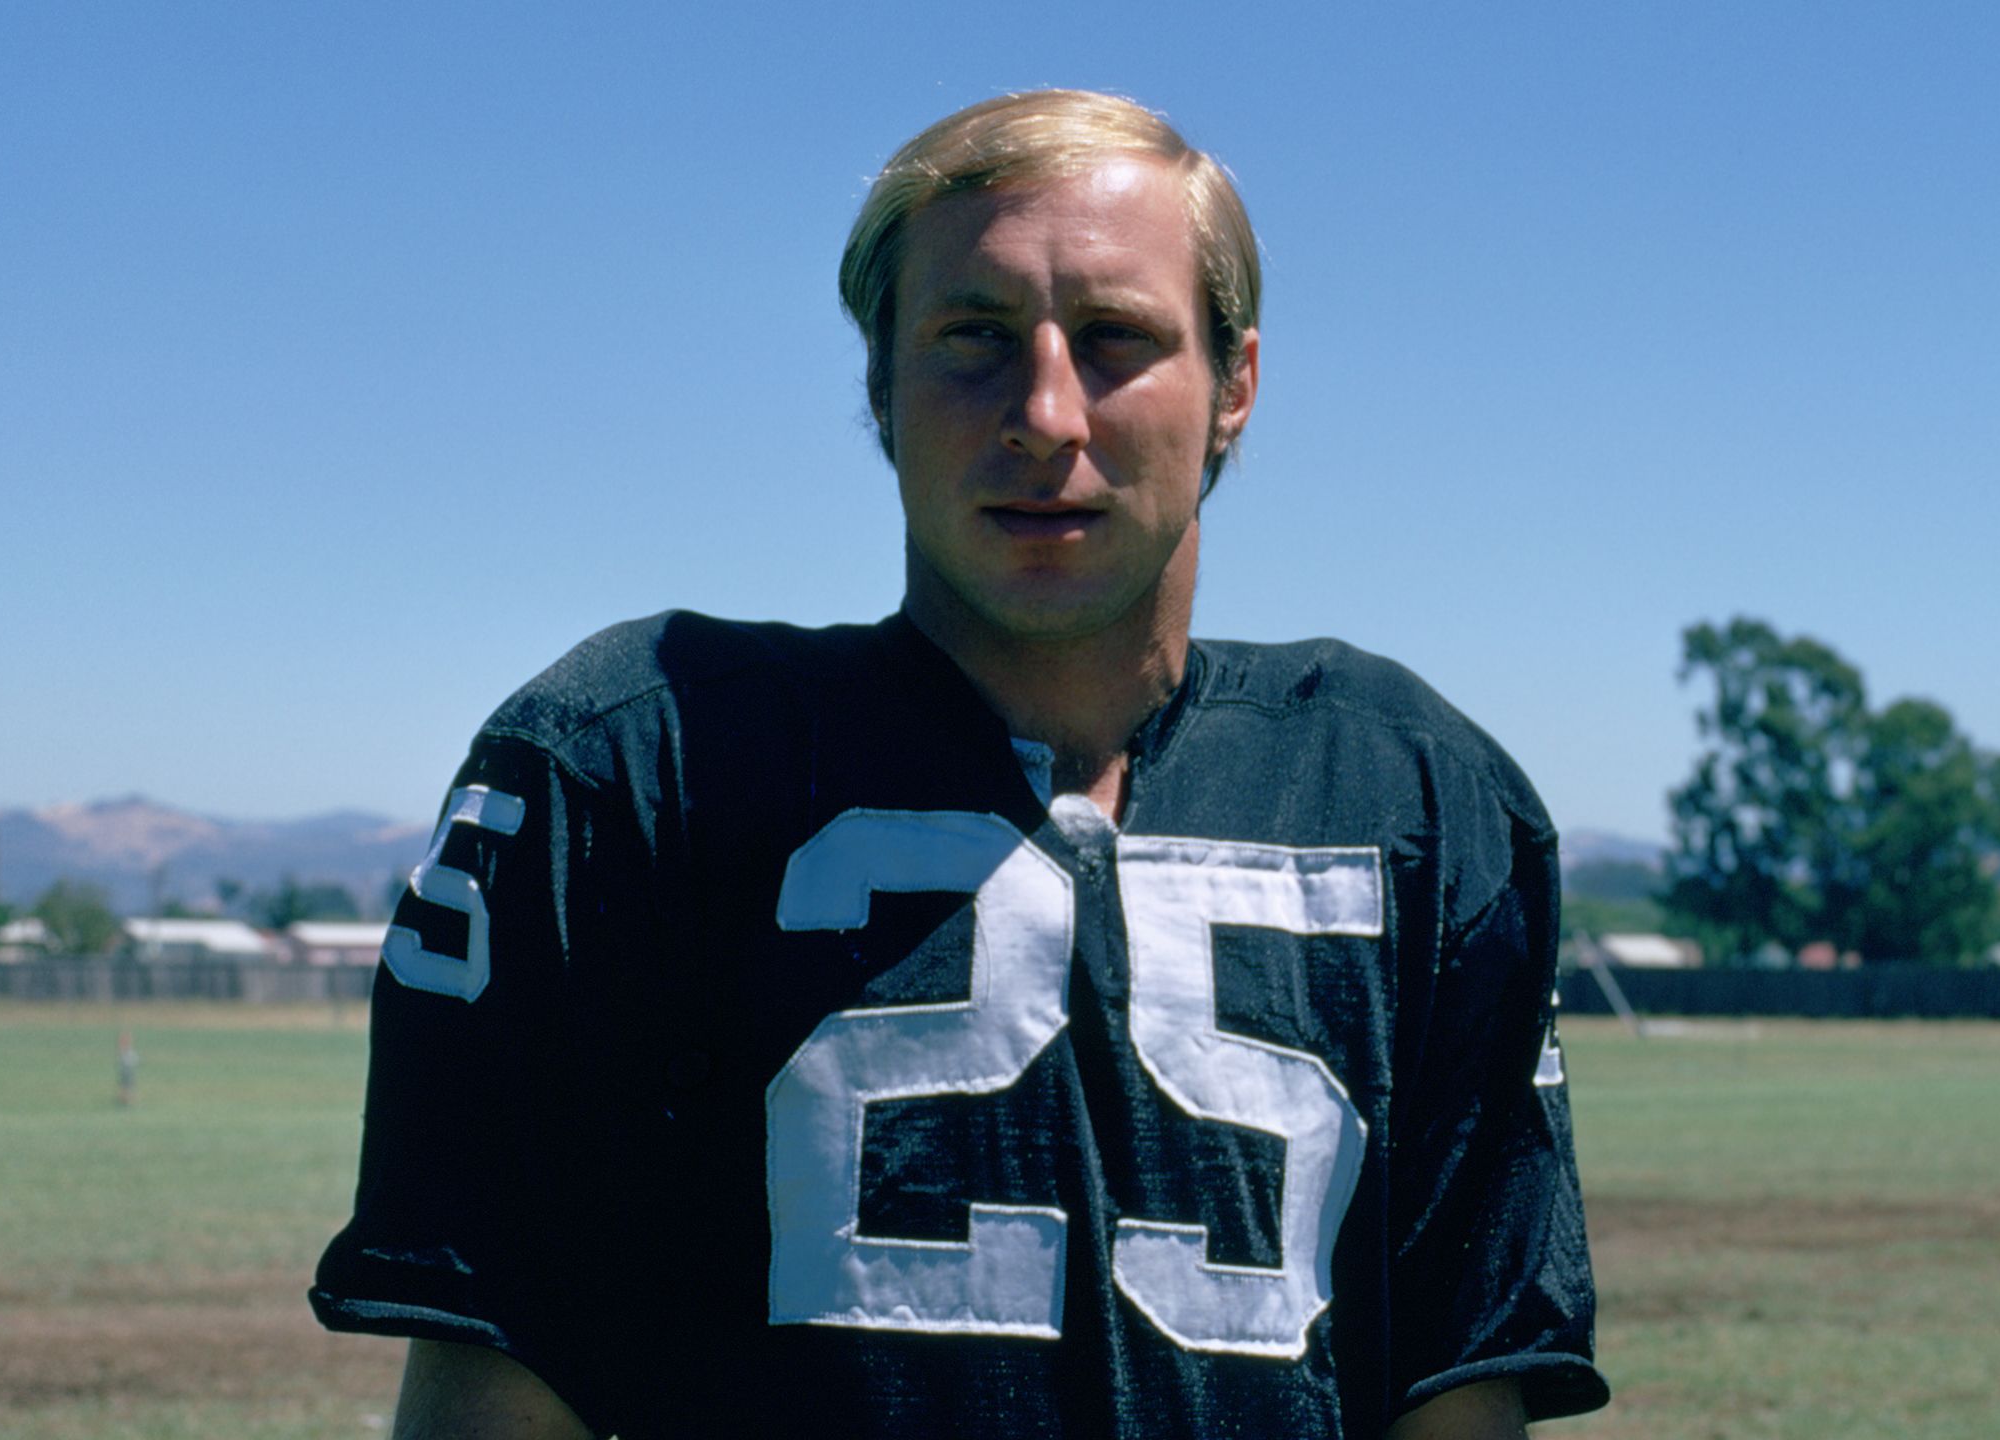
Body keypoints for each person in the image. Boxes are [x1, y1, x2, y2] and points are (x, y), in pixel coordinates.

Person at [311, 89, 1606, 1439]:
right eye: (973, 337)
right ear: (879, 384)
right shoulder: (629, 766)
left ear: (1236, 385)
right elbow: (497, 1398)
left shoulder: (1414, 798)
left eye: (1115, 338)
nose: (1045, 413)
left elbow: (1457, 1403)